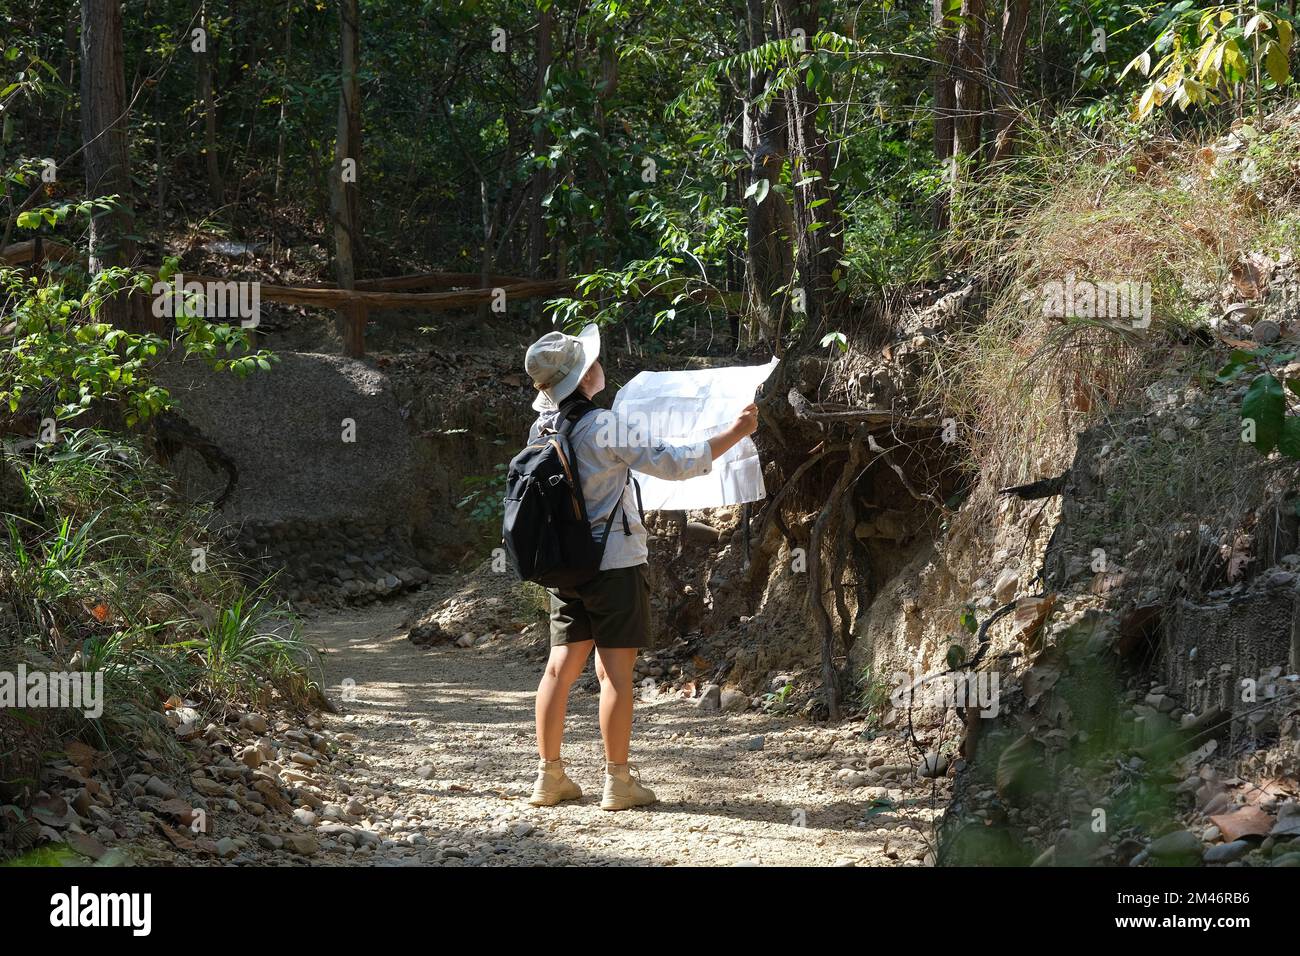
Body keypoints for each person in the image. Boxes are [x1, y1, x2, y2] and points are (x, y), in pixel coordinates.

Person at [523, 324, 759, 810]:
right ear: (587, 373)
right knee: (614, 676)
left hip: (563, 568)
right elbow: (671, 462)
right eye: (593, 359)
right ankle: (619, 782)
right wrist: (736, 434)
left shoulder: (541, 428)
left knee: (557, 671)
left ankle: (549, 779)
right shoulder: (603, 425)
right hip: (613, 565)